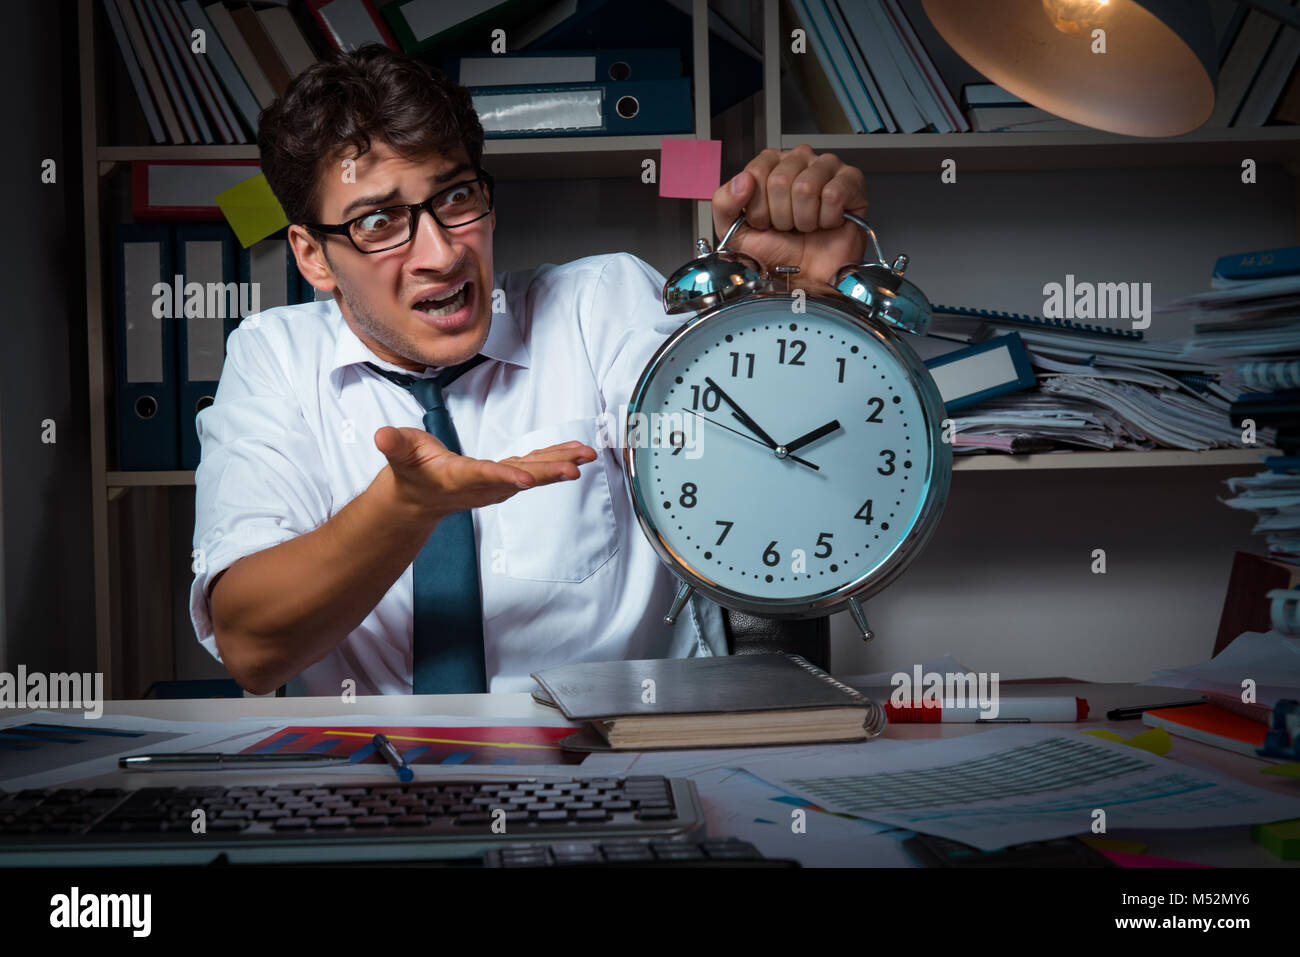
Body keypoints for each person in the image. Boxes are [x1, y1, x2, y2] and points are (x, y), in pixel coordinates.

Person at [189, 44, 868, 696]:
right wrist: (403, 510)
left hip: (621, 758)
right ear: (312, 257)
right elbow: (252, 648)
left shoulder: (601, 305)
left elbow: (785, 482)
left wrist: (806, 309)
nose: (440, 254)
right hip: (380, 778)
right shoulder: (273, 355)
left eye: (455, 196)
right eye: (378, 221)